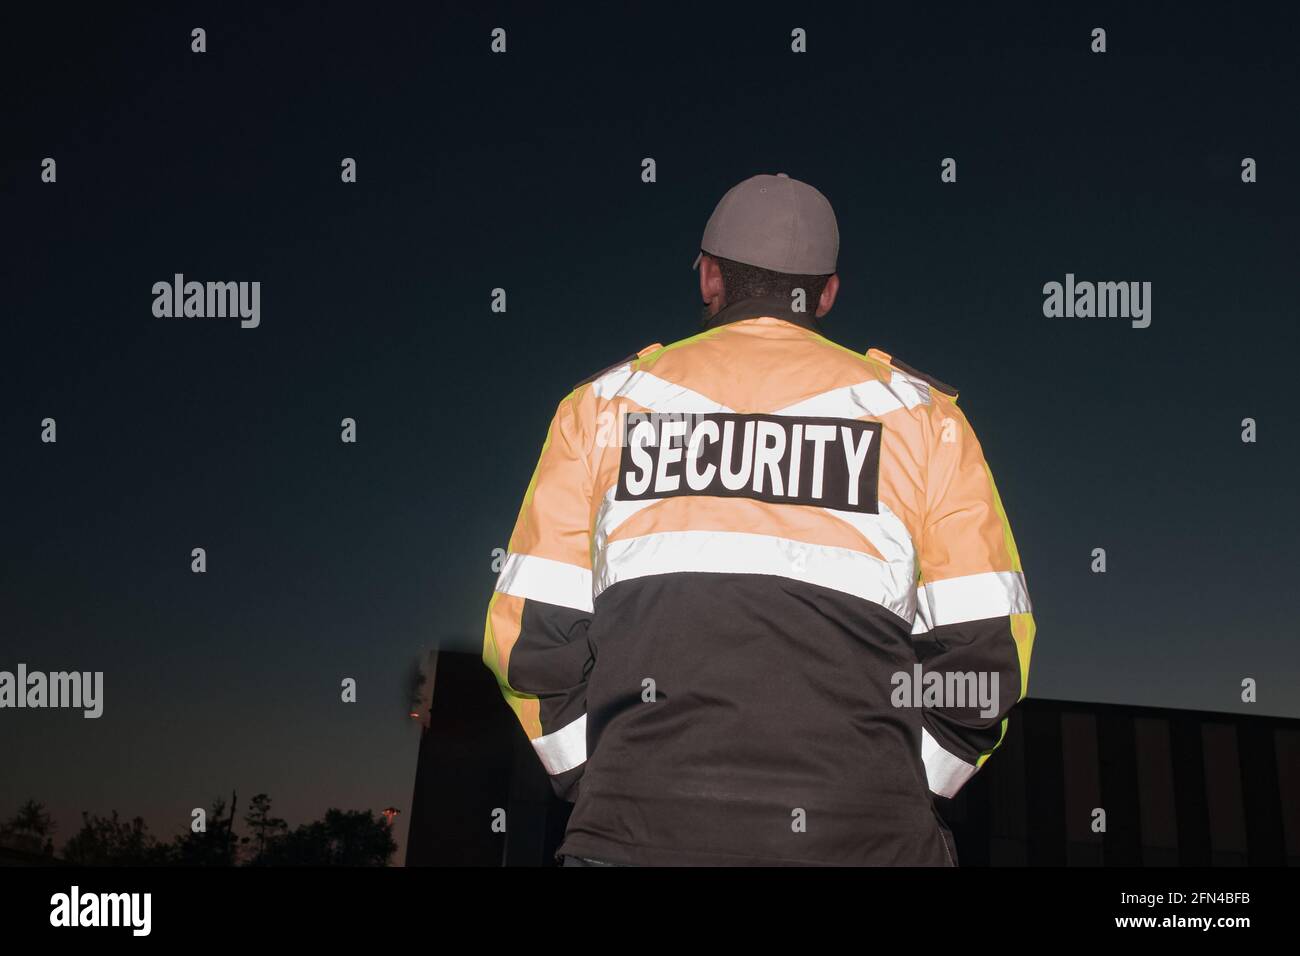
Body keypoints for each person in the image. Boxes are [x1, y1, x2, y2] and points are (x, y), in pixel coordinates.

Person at [483, 173, 1036, 866]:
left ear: (710, 278)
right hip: (871, 843)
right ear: (827, 292)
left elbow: (530, 638)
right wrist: (893, 780)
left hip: (632, 840)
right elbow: (986, 656)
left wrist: (606, 780)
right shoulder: (926, 420)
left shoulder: (599, 408)